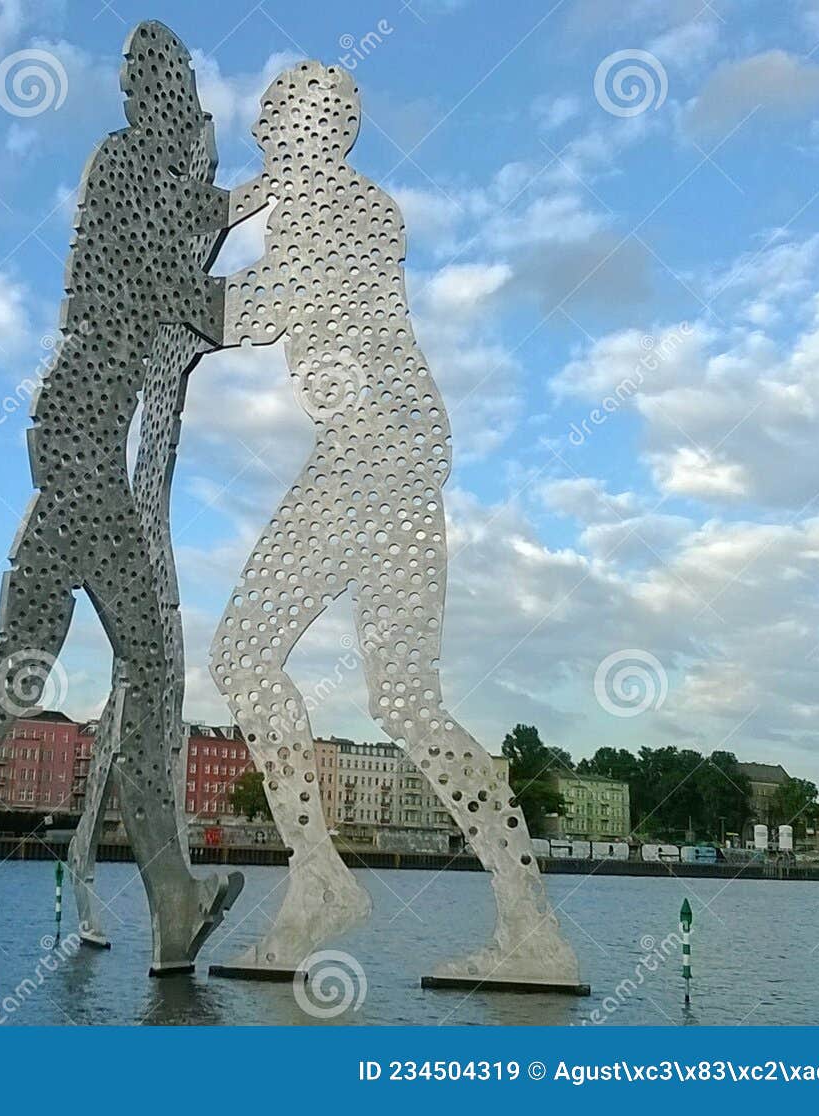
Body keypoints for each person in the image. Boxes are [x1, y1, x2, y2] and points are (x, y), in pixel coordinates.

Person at [0, 22, 242, 991]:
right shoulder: (130, 176)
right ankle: (164, 898)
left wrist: (234, 212)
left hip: (78, 437)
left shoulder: (145, 183)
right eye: (194, 110)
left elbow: (183, 258)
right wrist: (255, 282)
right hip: (82, 444)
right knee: (145, 664)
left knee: (34, 657)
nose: (204, 128)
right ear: (168, 108)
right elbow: (175, 292)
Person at [208, 62, 581, 988]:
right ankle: (531, 929)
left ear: (315, 129)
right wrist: (221, 210)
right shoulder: (329, 198)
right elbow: (246, 237)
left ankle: (318, 880)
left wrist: (159, 290)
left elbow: (259, 310)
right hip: (395, 446)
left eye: (271, 122)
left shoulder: (343, 210)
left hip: (374, 449)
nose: (257, 137)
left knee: (243, 656)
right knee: (406, 700)